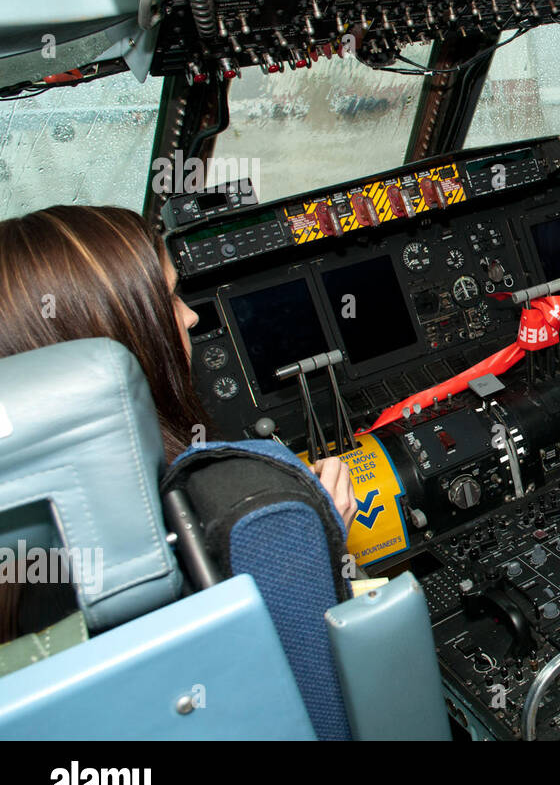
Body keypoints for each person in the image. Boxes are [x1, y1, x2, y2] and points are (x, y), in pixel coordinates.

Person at [0, 206, 357, 643]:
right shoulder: (235, 509)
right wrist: (311, 534)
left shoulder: (31, 560)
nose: (190, 316)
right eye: (167, 299)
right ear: (117, 329)